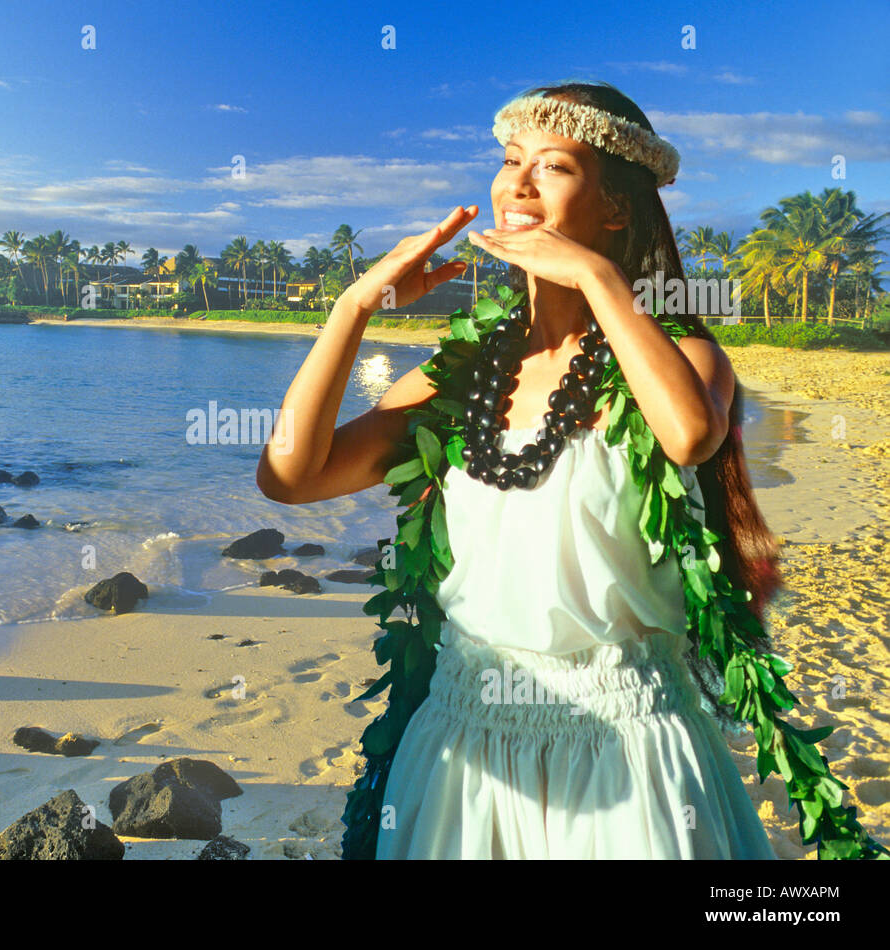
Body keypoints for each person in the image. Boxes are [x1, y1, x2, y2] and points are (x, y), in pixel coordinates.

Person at [256, 80, 780, 859]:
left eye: (555, 165)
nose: (519, 183)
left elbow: (689, 434)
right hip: (465, 739)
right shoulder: (463, 371)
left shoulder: (681, 356)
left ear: (617, 208)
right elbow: (292, 477)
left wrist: (599, 281)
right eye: (509, 160)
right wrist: (354, 308)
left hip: (626, 745)